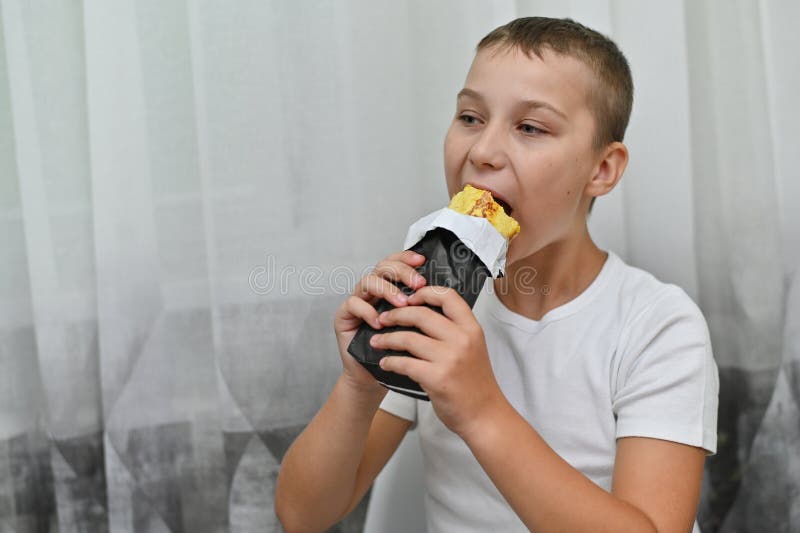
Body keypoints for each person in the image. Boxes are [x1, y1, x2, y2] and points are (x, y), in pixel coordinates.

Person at [275, 16, 718, 533]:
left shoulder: (658, 327)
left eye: (530, 127)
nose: (481, 152)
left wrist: (481, 409)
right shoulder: (432, 304)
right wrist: (360, 382)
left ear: (602, 169)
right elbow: (302, 516)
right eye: (469, 117)